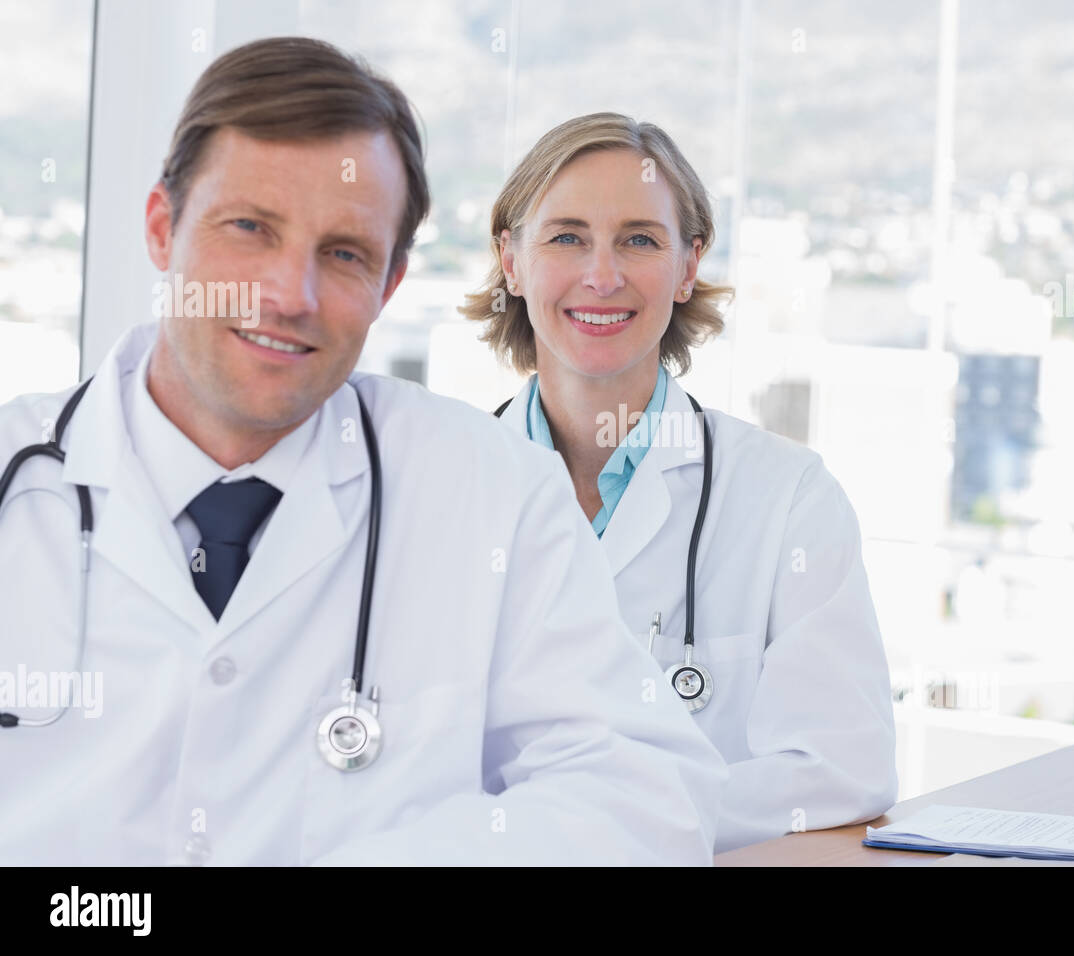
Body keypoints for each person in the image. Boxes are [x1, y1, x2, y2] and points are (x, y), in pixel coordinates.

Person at [0, 40, 725, 865]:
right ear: (163, 230)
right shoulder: (16, 482)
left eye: (343, 254)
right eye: (250, 228)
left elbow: (648, 795)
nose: (289, 296)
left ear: (388, 284)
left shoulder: (489, 490)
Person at [464, 113, 898, 853]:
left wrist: (592, 825)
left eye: (640, 239)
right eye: (567, 236)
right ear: (511, 259)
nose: (603, 275)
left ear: (689, 265)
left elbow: (839, 769)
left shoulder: (787, 498)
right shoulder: (444, 489)